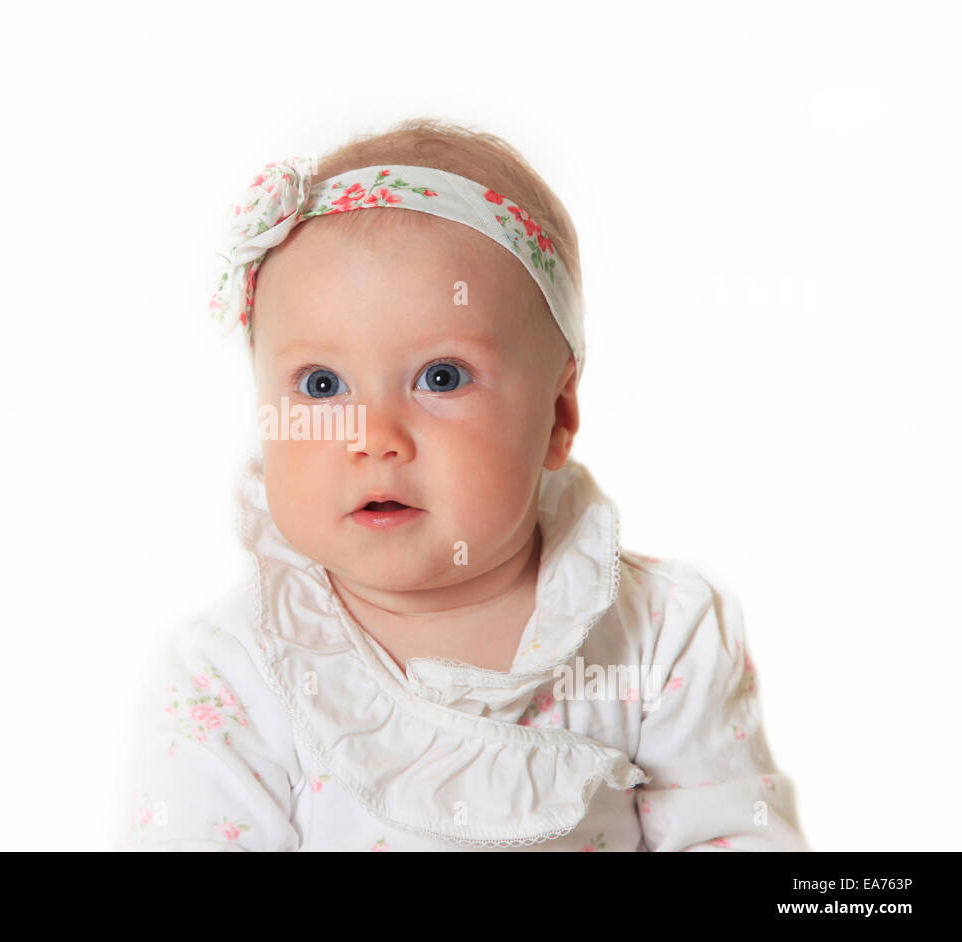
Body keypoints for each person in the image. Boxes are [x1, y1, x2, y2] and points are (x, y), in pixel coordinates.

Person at [114, 117, 808, 851]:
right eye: (322, 384)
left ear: (557, 414)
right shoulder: (233, 676)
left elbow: (734, 834)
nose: (373, 437)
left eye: (440, 377)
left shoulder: (659, 633)